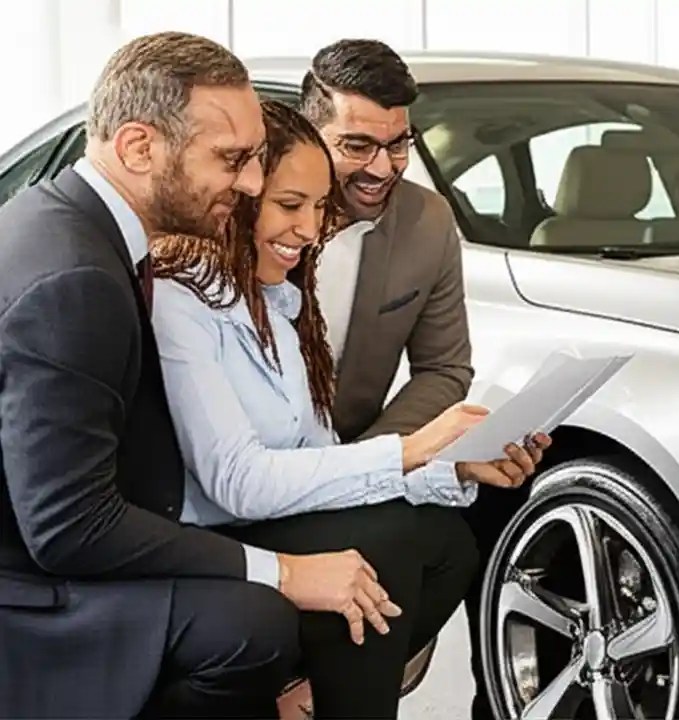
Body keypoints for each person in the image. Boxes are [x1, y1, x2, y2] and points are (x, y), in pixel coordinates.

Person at [0, 32, 394, 719]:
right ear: (138, 148)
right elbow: (69, 528)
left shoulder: (59, 218)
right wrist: (283, 571)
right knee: (254, 623)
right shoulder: (76, 280)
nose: (249, 182)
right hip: (26, 593)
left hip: (64, 542)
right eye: (232, 159)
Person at [149, 98, 550, 719]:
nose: (310, 232)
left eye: (317, 210)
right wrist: (412, 449)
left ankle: (308, 698)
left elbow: (320, 459)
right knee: (386, 539)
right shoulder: (180, 301)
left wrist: (456, 465)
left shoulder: (279, 307)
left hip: (271, 513)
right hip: (212, 536)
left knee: (450, 542)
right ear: (242, 195)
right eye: (290, 206)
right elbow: (236, 483)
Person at [299, 39, 552, 718]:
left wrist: (377, 461)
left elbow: (444, 368)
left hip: (358, 447)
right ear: (305, 132)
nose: (383, 167)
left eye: (399, 143)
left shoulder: (428, 223)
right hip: (257, 464)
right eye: (356, 146)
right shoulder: (252, 220)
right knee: (400, 531)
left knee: (493, 501)